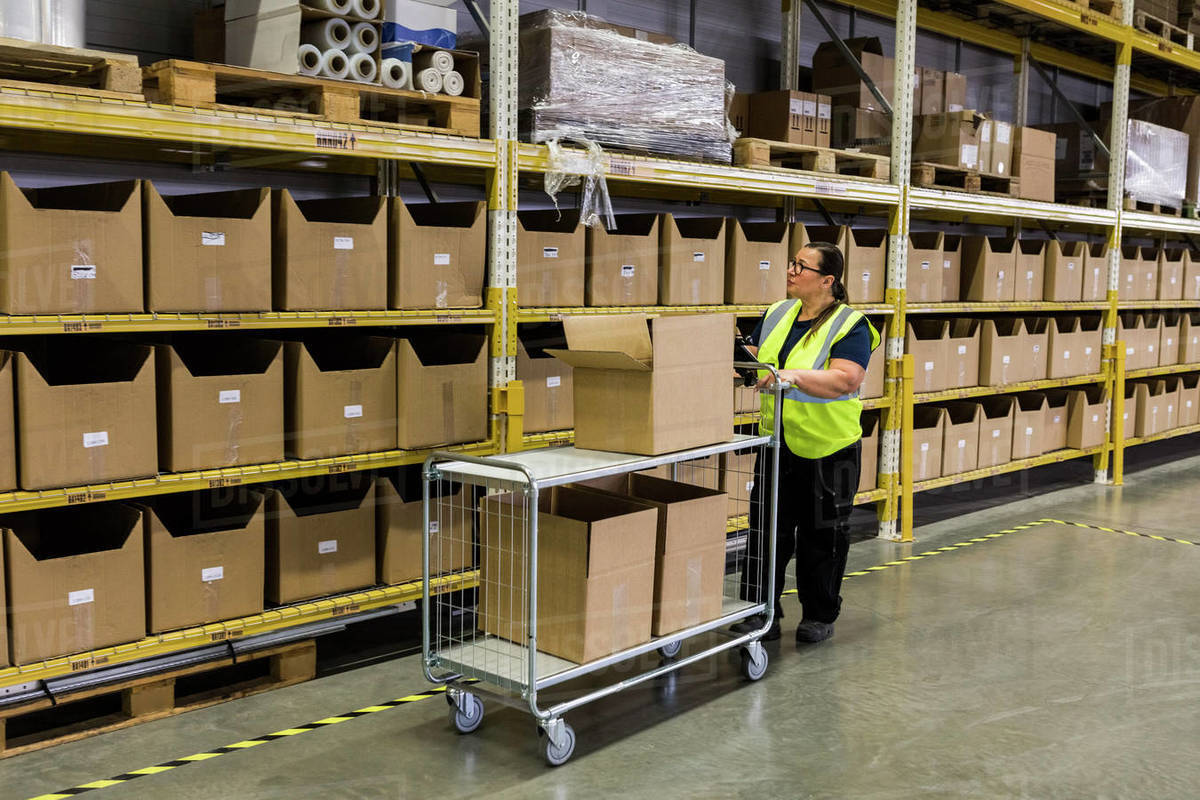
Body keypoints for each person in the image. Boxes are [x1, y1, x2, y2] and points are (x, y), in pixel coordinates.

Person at [732, 240, 880, 644]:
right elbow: (761, 356)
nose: (791, 271)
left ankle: (819, 614)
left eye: (801, 266)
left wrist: (790, 375)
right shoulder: (780, 311)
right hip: (777, 443)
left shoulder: (851, 324)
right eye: (792, 263)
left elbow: (846, 378)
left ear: (827, 280)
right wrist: (737, 355)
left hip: (829, 447)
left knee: (823, 534)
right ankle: (761, 611)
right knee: (766, 529)